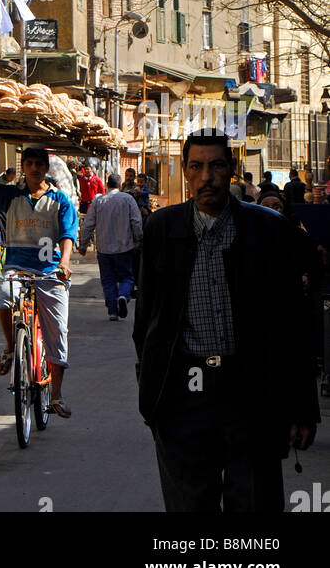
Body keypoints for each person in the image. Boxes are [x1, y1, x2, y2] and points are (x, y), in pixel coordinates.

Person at [134, 130, 318, 512]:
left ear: (231, 171)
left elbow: (292, 326)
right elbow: (147, 323)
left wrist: (302, 408)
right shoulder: (162, 231)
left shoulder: (266, 230)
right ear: (184, 172)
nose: (207, 177)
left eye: (216, 166)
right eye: (197, 167)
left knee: (254, 501)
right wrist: (153, 398)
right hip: (183, 397)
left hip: (252, 395)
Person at [0, 138, 77, 418]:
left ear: (46, 168)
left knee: (57, 332)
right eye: (29, 164)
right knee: (3, 299)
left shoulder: (60, 200)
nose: (34, 168)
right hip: (17, 268)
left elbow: (68, 235)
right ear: (23, 167)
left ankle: (56, 395)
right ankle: (11, 348)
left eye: (38, 164)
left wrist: (66, 263)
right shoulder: (12, 195)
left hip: (49, 271)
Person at [78, 172, 143, 321]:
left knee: (108, 280)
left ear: (107, 185)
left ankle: (112, 311)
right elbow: (136, 221)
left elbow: (88, 224)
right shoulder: (128, 199)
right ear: (120, 185)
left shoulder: (98, 201)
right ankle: (123, 295)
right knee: (127, 277)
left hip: (104, 248)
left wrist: (83, 245)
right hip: (124, 247)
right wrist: (138, 239)